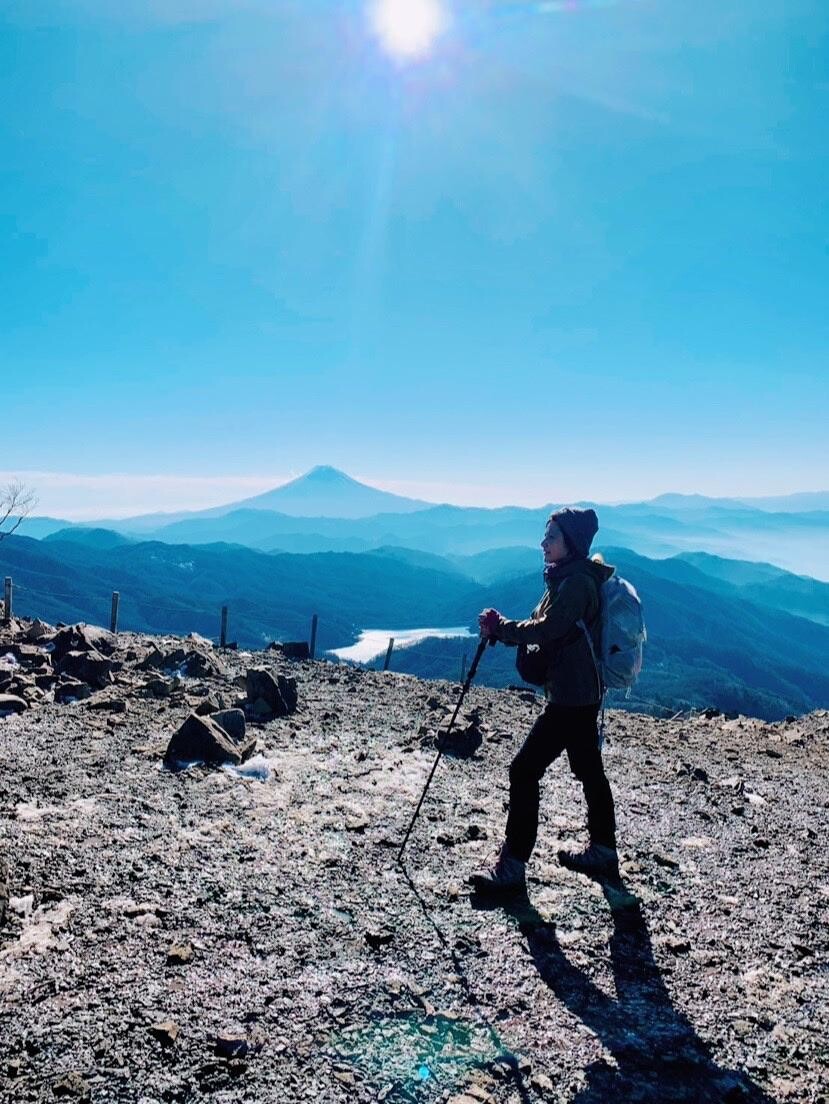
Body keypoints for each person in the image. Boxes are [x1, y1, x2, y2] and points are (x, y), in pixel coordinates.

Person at [472, 507, 618, 892]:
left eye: (552, 537)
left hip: (571, 697)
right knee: (588, 770)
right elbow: (547, 629)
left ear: (571, 543)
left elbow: (549, 629)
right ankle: (604, 849)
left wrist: (502, 628)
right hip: (580, 693)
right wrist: (504, 630)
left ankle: (513, 866)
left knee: (524, 770)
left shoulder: (577, 584)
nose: (543, 543)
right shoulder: (566, 578)